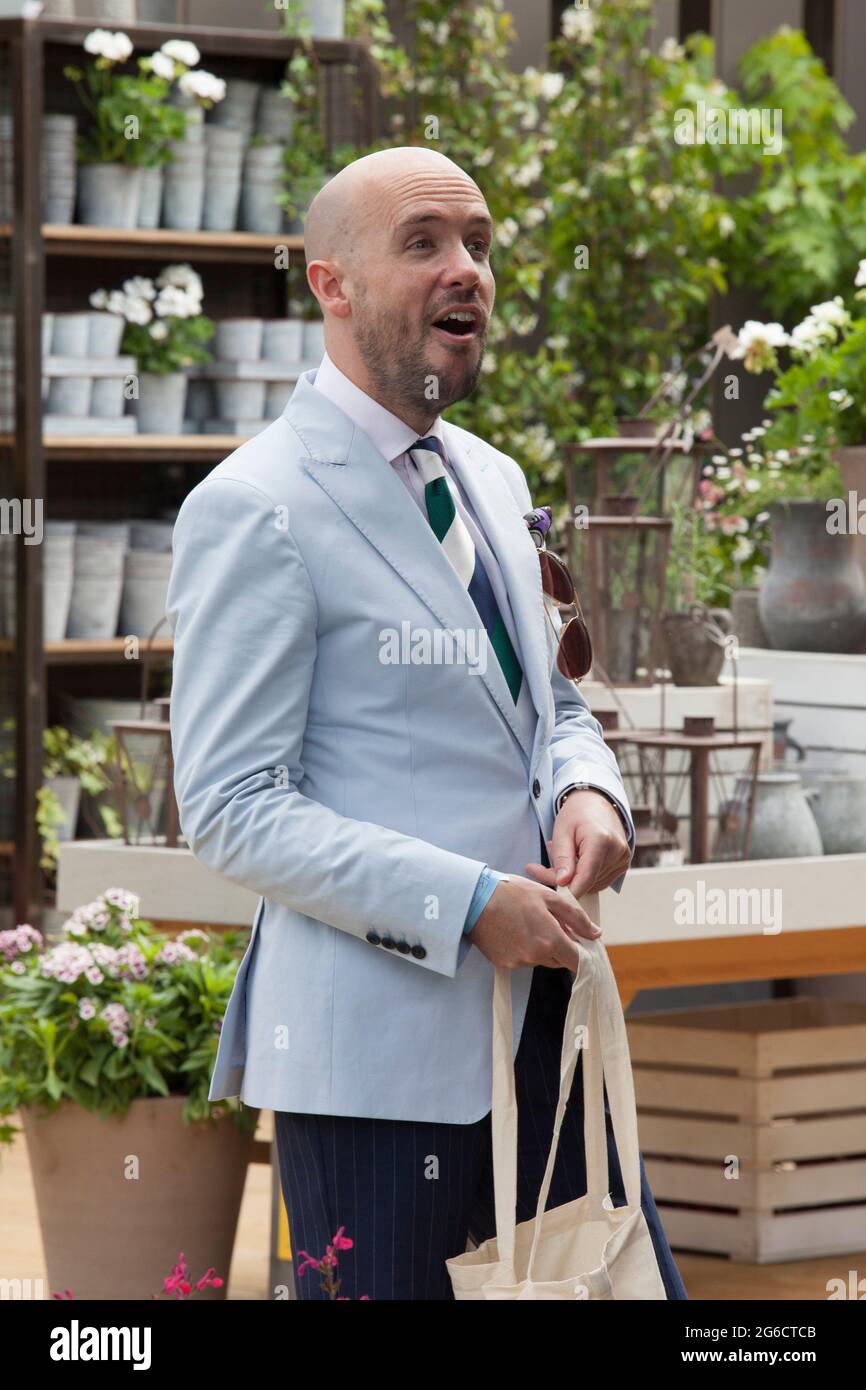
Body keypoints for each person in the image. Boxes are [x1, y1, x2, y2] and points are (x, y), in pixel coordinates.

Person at [165, 146, 688, 1301]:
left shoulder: (492, 480)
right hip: (382, 1077)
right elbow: (231, 810)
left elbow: (547, 704)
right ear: (329, 286)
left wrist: (585, 787)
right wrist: (465, 907)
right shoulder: (255, 507)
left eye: (479, 243)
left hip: (553, 1036)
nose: (466, 270)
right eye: (423, 244)